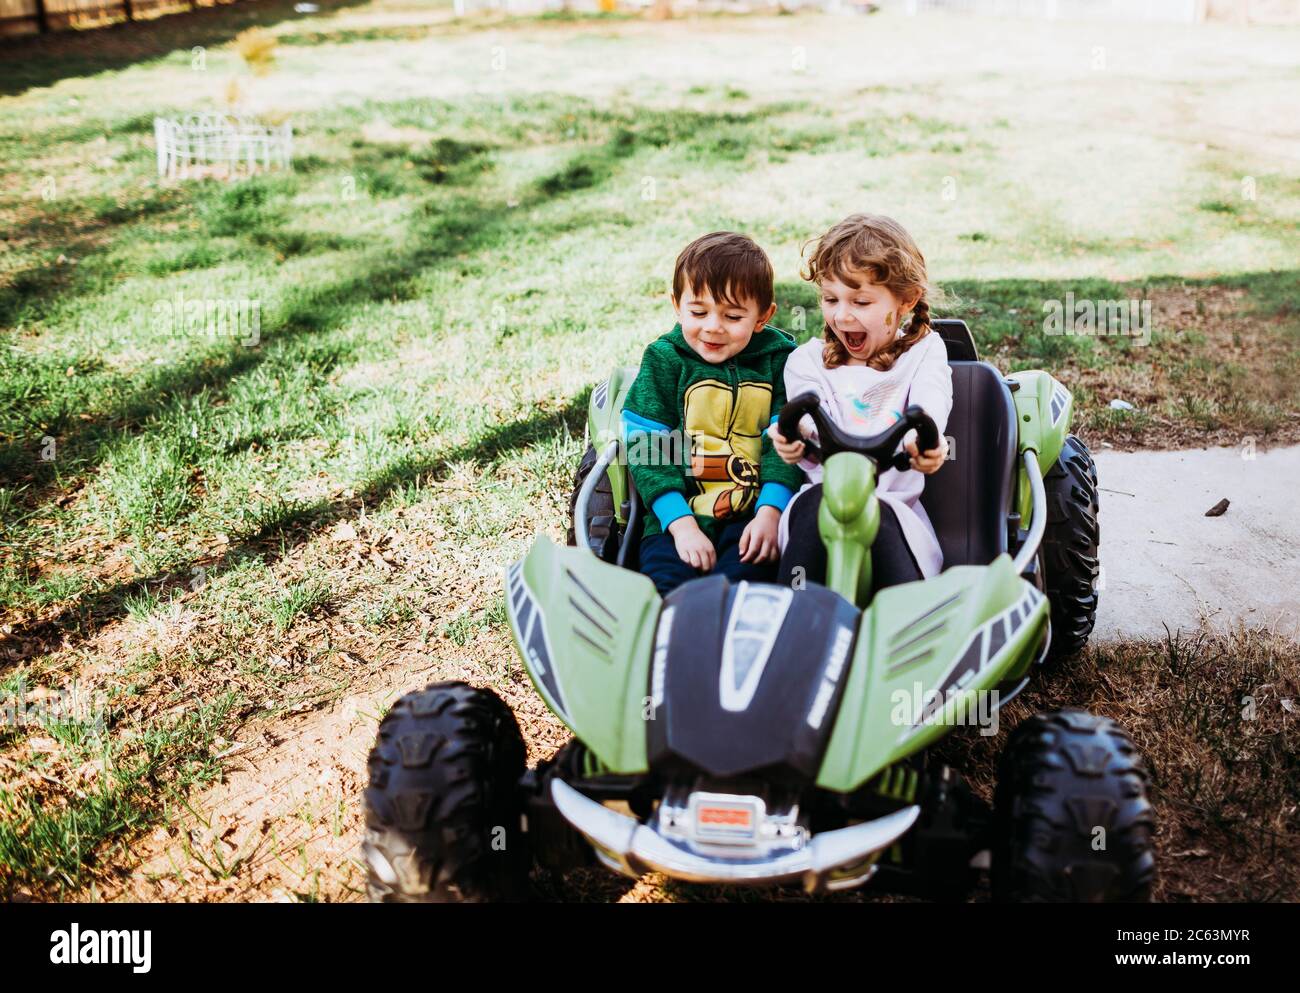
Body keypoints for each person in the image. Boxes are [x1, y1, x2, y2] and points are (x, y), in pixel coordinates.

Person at [769, 213, 952, 593]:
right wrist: (793, 438)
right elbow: (805, 418)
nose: (842, 314)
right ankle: (798, 623)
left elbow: (932, 397)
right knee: (813, 508)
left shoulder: (923, 352)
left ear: (906, 300)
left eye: (861, 301)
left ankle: (905, 630)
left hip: (894, 512)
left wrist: (928, 440)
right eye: (830, 299)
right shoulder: (807, 362)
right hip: (821, 510)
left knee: (879, 520)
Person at [621, 231, 804, 597]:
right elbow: (647, 448)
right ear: (677, 304)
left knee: (747, 592)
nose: (713, 327)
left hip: (753, 516)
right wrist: (680, 523)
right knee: (667, 593)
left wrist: (771, 512)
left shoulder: (780, 363)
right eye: (698, 311)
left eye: (733, 315)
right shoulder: (664, 360)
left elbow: (787, 442)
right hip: (675, 519)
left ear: (762, 316)